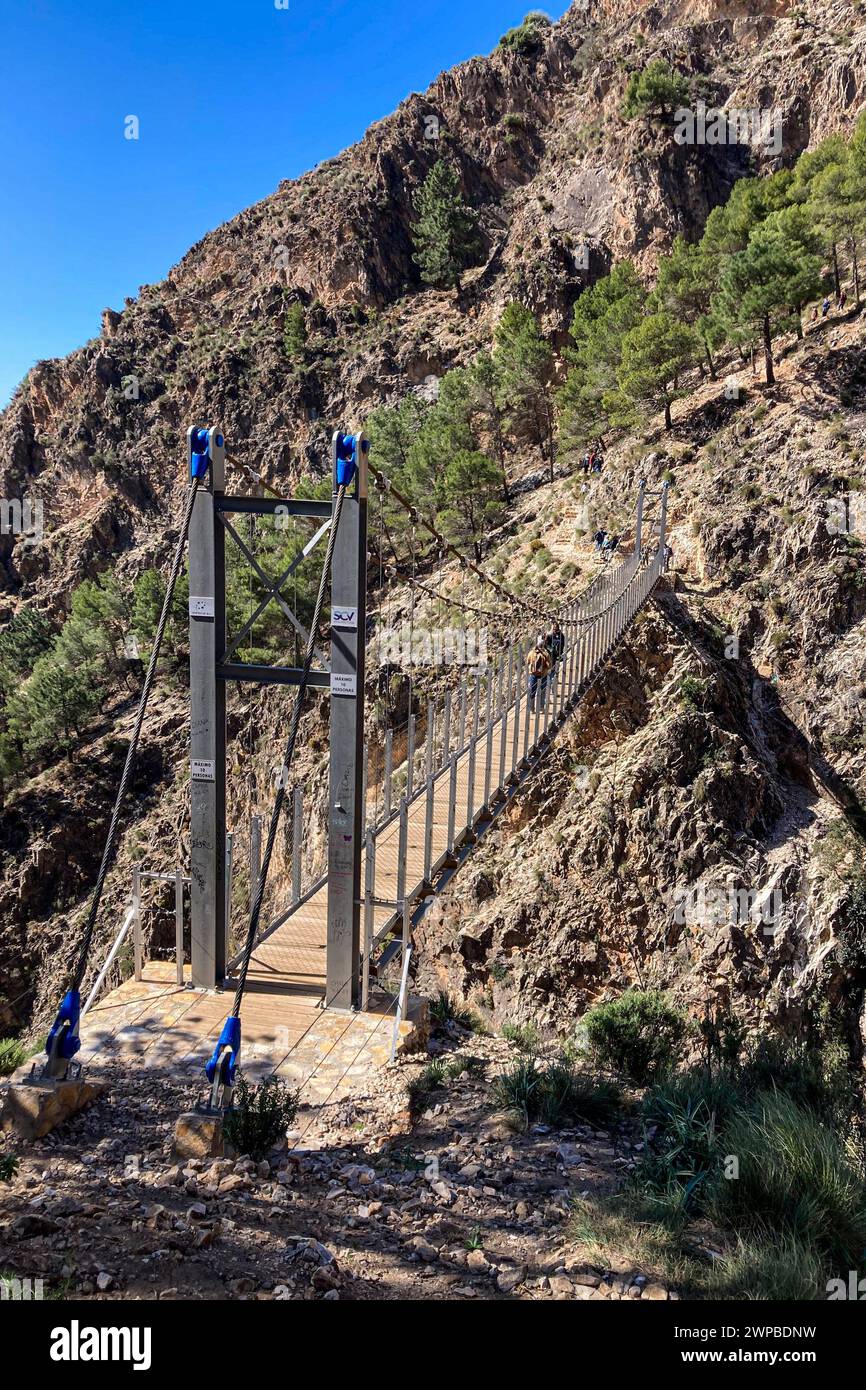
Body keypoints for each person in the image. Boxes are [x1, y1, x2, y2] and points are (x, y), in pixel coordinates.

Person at [526, 635, 552, 709]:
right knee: (542, 691)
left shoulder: (531, 653)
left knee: (532, 690)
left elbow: (528, 662)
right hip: (543, 674)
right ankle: (541, 707)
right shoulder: (546, 653)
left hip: (533, 674)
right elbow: (549, 665)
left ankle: (531, 707)